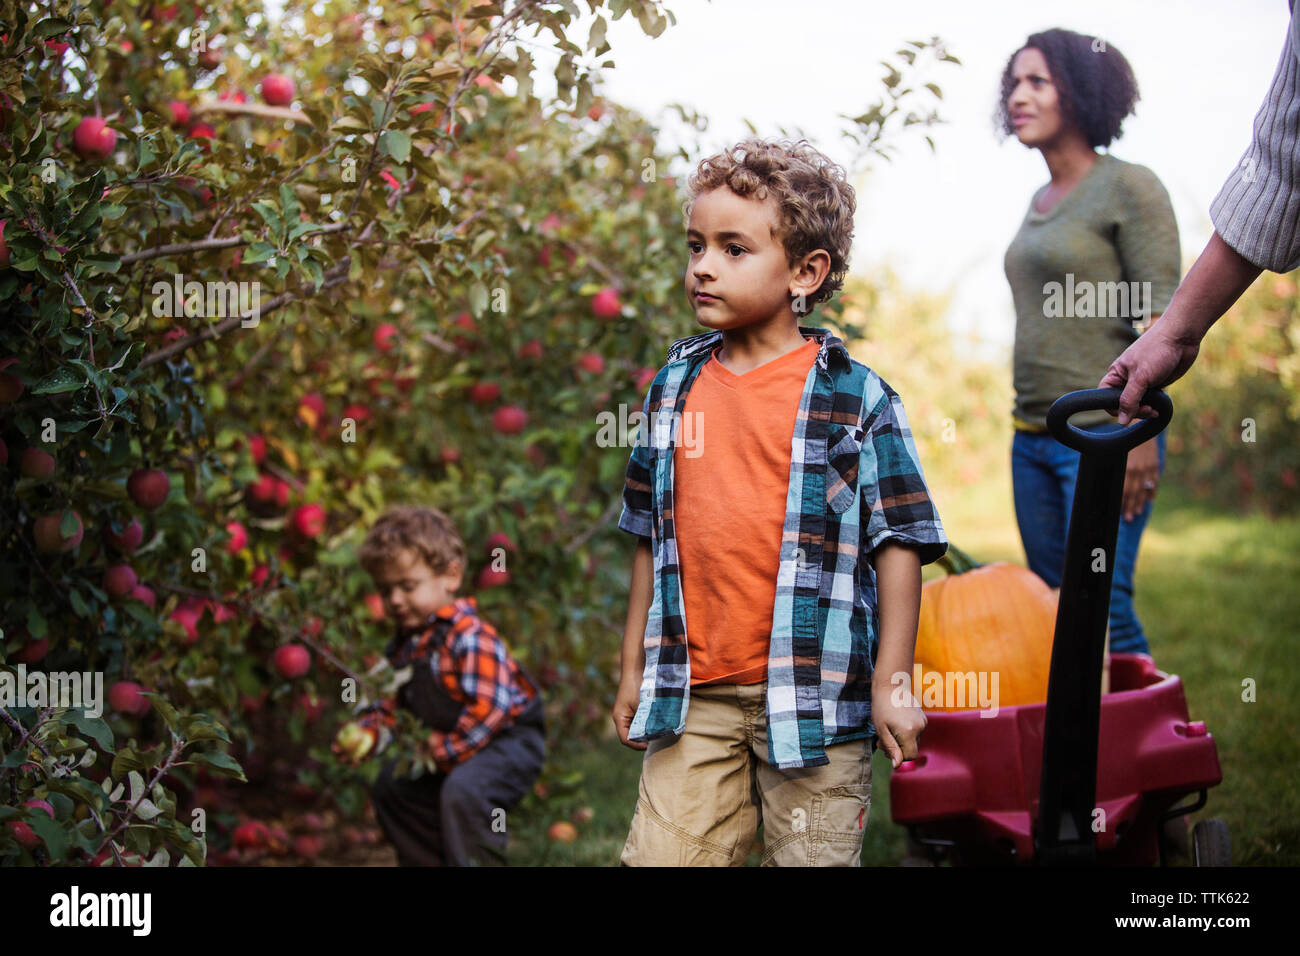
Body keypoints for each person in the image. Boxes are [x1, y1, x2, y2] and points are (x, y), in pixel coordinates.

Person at [612, 138, 948, 866]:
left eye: (734, 249)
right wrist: (631, 665)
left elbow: (901, 540)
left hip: (816, 698)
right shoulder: (673, 389)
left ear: (805, 271)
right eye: (696, 245)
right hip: (692, 695)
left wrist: (894, 682)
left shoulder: (857, 397)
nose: (702, 265)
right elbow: (647, 529)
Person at [998, 28, 1182, 656]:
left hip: (1104, 434)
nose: (1017, 95)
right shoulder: (1037, 200)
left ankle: (1158, 752)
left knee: (1103, 603)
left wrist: (1137, 433)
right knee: (1057, 608)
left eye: (1037, 81)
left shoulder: (1130, 186)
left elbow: (1163, 319)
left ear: (1077, 91)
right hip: (1030, 437)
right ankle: (1079, 755)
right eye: (1015, 82)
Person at [1102, 0, 1300, 422]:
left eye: (1038, 80)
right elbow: (1281, 162)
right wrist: (1176, 333)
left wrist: (1131, 443)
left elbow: (1280, 164)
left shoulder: (1134, 185)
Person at [342, 505, 545, 866]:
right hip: (453, 747)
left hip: (506, 744)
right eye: (385, 590)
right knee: (393, 786)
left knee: (463, 792)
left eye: (408, 586)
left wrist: (442, 752)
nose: (395, 600)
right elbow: (385, 704)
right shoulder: (404, 646)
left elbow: (491, 710)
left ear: (450, 576)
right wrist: (369, 733)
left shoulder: (470, 638)